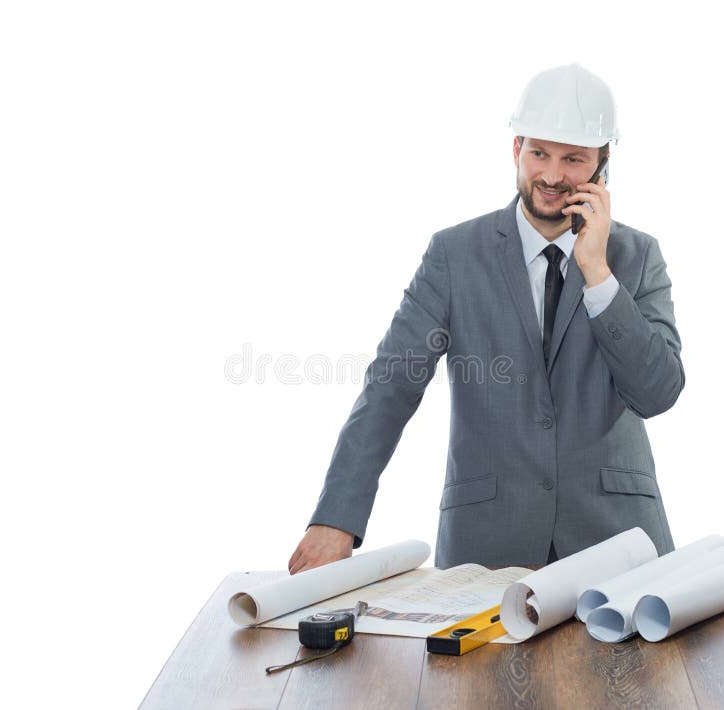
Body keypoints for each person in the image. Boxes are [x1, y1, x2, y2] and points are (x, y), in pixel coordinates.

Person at [288, 64, 684, 574]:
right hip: (489, 547)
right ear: (516, 148)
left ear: (602, 166)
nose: (552, 176)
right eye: (539, 153)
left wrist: (598, 275)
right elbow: (391, 385)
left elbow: (658, 392)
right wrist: (336, 520)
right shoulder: (454, 256)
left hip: (617, 545)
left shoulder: (637, 256)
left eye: (573, 159)